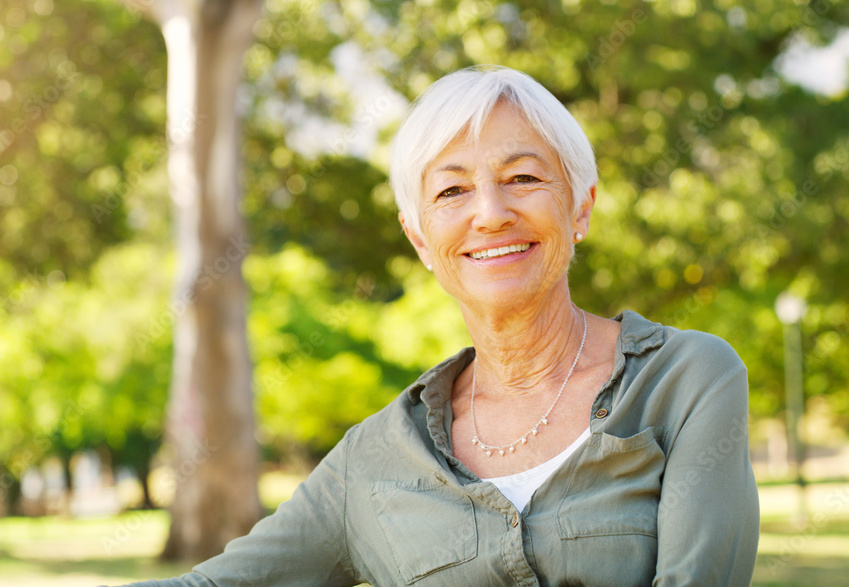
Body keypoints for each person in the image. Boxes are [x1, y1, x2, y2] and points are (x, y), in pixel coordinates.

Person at [115, 65, 760, 586]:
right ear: (420, 238)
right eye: (452, 191)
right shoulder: (372, 459)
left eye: (524, 178)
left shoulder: (688, 378)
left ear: (581, 207)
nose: (490, 213)